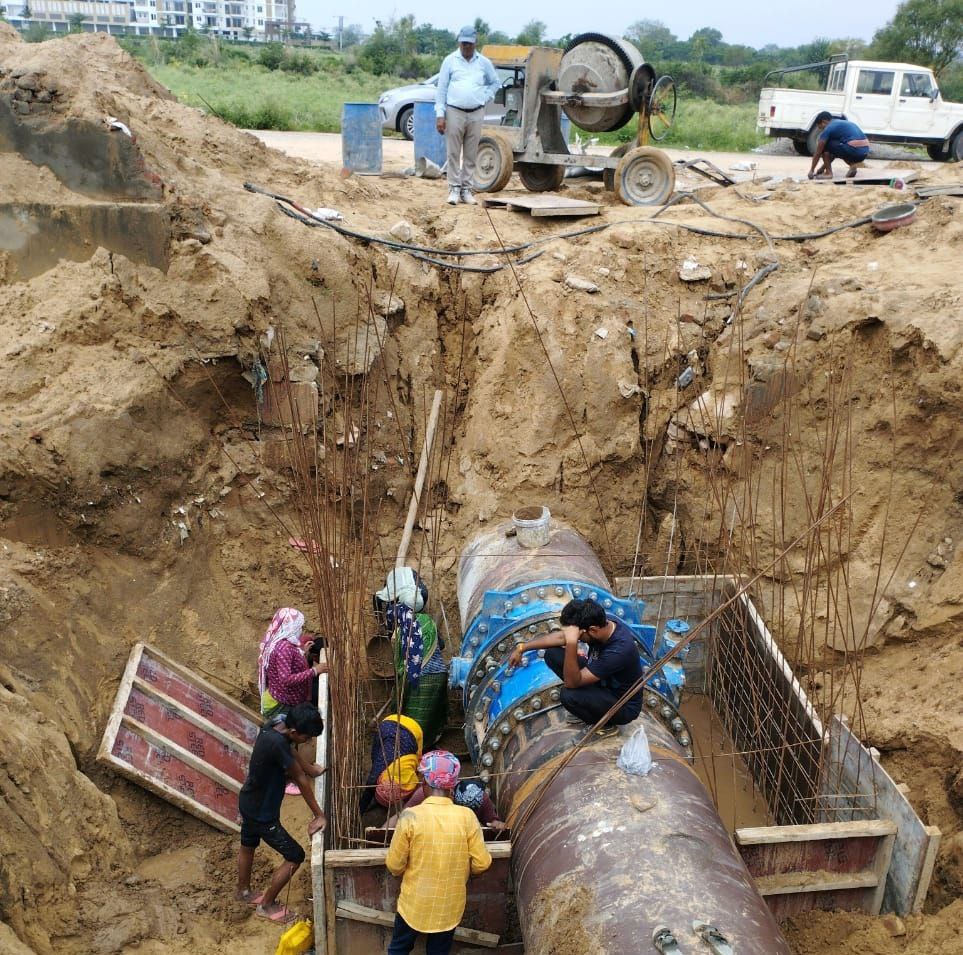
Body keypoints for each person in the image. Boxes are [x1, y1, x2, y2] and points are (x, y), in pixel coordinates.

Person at [385, 751, 493, 955]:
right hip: (449, 907)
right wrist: (461, 868)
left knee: (399, 949)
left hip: (414, 905)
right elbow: (482, 863)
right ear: (452, 786)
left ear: (424, 784)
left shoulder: (410, 817)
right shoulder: (467, 817)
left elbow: (394, 865)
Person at [235, 702, 327, 924]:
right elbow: (300, 779)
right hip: (263, 815)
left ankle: (243, 891)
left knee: (248, 845)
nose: (308, 741)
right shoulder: (277, 744)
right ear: (295, 732)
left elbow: (292, 752)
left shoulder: (278, 723)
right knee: (295, 856)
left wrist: (312, 768)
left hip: (248, 801)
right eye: (307, 738)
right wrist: (319, 815)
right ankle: (267, 905)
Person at [508, 597, 644, 734]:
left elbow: (572, 683)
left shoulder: (619, 649)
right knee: (552, 654)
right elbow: (560, 638)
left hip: (621, 704)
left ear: (593, 630)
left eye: (579, 636)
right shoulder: (599, 623)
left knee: (569, 695)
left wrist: (572, 643)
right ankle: (591, 705)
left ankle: (605, 724)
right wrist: (522, 648)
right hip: (602, 682)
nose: (577, 639)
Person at [376, 567, 449, 750]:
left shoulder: (402, 631)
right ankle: (428, 745)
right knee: (430, 717)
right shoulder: (427, 621)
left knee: (413, 721)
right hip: (439, 674)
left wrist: (398, 694)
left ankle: (413, 751)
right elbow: (441, 645)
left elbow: (402, 667)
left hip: (421, 680)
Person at [435, 25, 501, 206]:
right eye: (463, 44)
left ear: (475, 43)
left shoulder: (483, 62)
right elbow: (441, 90)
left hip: (476, 112)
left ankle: (466, 189)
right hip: (454, 111)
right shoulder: (450, 61)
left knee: (471, 153)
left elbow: (495, 82)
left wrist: (485, 97)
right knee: (453, 152)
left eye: (469, 44)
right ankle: (454, 188)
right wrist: (440, 114)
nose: (466, 47)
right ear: (459, 42)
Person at [257, 607, 328, 719]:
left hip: (287, 699)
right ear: (290, 626)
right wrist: (315, 670)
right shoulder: (283, 648)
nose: (300, 630)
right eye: (298, 626)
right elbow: (286, 679)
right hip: (282, 703)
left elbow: (287, 663)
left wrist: (301, 652)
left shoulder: (285, 644)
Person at [360, 713, 424, 814]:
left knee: (379, 755)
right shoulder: (381, 766)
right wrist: (361, 808)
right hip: (393, 726)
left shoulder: (411, 778)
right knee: (377, 755)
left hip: (413, 730)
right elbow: (370, 783)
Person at [388, 779, 507, 831]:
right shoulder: (423, 795)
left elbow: (493, 820)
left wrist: (497, 825)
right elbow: (402, 816)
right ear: (451, 795)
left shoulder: (481, 798)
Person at [808, 111, 870, 180]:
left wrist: (811, 170)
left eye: (821, 127)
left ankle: (828, 173)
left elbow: (818, 153)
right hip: (864, 151)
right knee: (840, 146)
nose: (821, 130)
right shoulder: (840, 123)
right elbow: (833, 154)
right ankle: (852, 166)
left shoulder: (829, 128)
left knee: (825, 146)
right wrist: (821, 169)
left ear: (824, 122)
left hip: (853, 150)